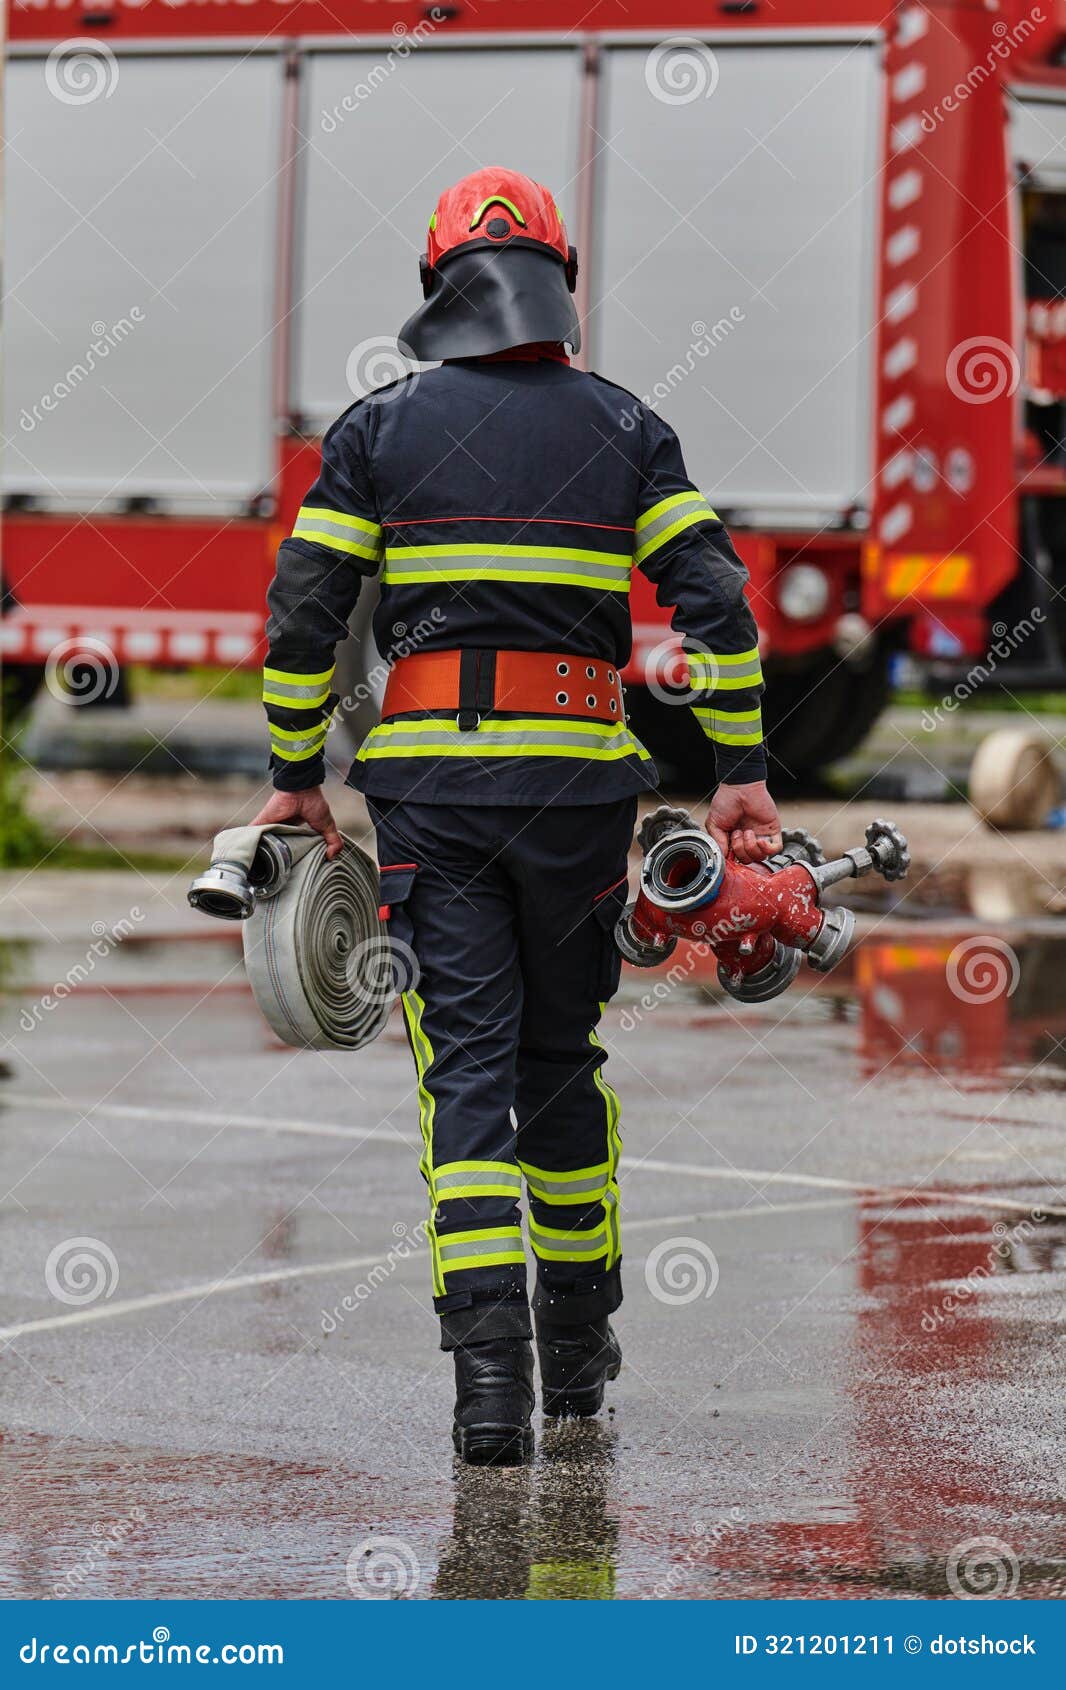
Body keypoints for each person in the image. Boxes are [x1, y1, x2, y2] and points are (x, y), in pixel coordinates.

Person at [253, 167, 781, 1465]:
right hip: (577, 802)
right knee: (563, 1070)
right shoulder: (625, 428)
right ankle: (581, 1355)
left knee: (466, 1082)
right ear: (561, 284)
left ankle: (488, 1392)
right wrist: (739, 767)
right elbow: (713, 598)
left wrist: (292, 771)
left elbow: (304, 610)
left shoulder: (376, 432)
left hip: (433, 801)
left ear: (440, 288)